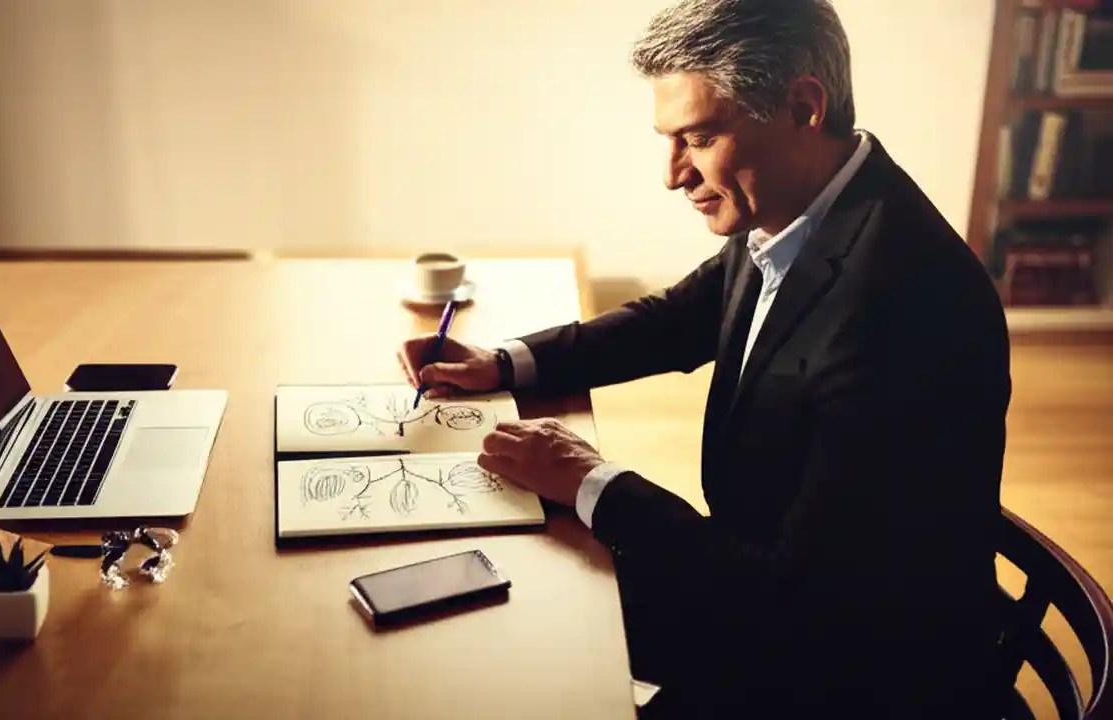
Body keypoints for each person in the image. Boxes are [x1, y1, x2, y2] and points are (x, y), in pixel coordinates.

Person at [397, 0, 1010, 717]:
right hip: (765, 592)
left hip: (844, 674)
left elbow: (797, 604)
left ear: (803, 107)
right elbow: (681, 317)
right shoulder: (805, 210)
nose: (672, 174)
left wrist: (593, 481)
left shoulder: (903, 314)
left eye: (699, 137)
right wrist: (505, 363)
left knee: (516, 650)